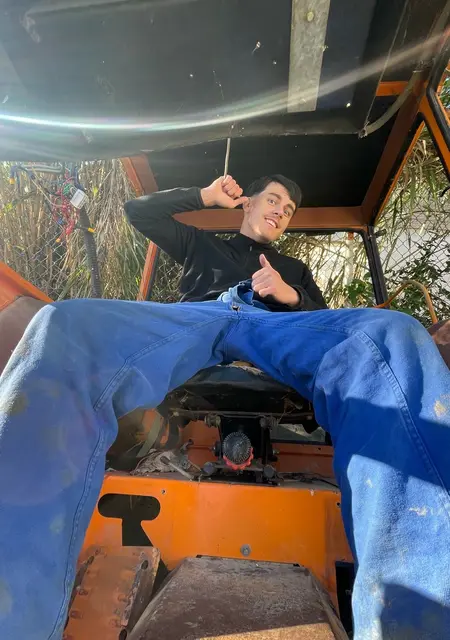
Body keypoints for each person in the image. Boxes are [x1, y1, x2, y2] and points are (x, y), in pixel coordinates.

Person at [0, 175, 449, 640]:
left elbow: (325, 320)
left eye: (289, 210)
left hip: (274, 327)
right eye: (273, 199)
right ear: (247, 204)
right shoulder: (201, 244)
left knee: (395, 334)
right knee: (63, 323)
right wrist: (204, 197)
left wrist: (289, 295)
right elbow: (139, 213)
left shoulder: (293, 269)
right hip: (201, 316)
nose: (280, 211)